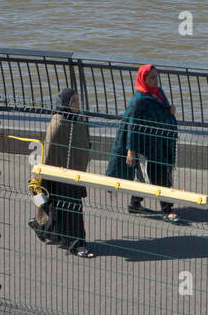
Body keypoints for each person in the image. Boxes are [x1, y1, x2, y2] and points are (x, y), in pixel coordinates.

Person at [107, 64, 179, 221]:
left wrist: (170, 110)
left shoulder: (158, 93)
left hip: (160, 142)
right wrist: (130, 150)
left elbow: (161, 112)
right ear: (143, 79)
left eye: (156, 76)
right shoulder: (139, 101)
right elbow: (131, 125)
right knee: (158, 175)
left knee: (148, 176)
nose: (155, 80)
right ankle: (167, 211)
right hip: (146, 145)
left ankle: (135, 203)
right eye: (151, 77)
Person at [39, 88, 94, 258]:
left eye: (78, 100)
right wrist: (43, 176)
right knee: (69, 209)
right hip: (59, 175)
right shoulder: (58, 123)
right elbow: (48, 152)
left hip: (75, 174)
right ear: (66, 104)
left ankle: (42, 229)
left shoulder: (79, 121)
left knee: (61, 208)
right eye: (73, 101)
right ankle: (77, 244)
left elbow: (86, 144)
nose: (77, 104)